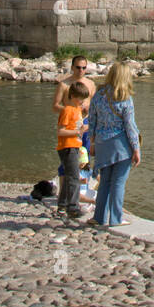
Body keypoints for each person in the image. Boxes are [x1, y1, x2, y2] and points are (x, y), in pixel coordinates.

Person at [87, 62, 141, 227]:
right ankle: (116, 218)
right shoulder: (125, 98)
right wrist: (136, 149)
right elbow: (130, 127)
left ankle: (99, 217)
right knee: (118, 183)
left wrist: (92, 142)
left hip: (103, 144)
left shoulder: (98, 95)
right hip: (121, 146)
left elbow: (92, 121)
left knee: (104, 182)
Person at [55, 81, 90, 218]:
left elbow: (78, 127)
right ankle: (73, 207)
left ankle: (62, 206)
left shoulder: (77, 111)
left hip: (75, 146)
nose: (82, 101)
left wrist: (84, 129)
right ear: (73, 96)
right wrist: (78, 132)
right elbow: (60, 131)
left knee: (70, 176)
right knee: (74, 177)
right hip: (67, 147)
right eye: (81, 98)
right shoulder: (67, 110)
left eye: (84, 98)